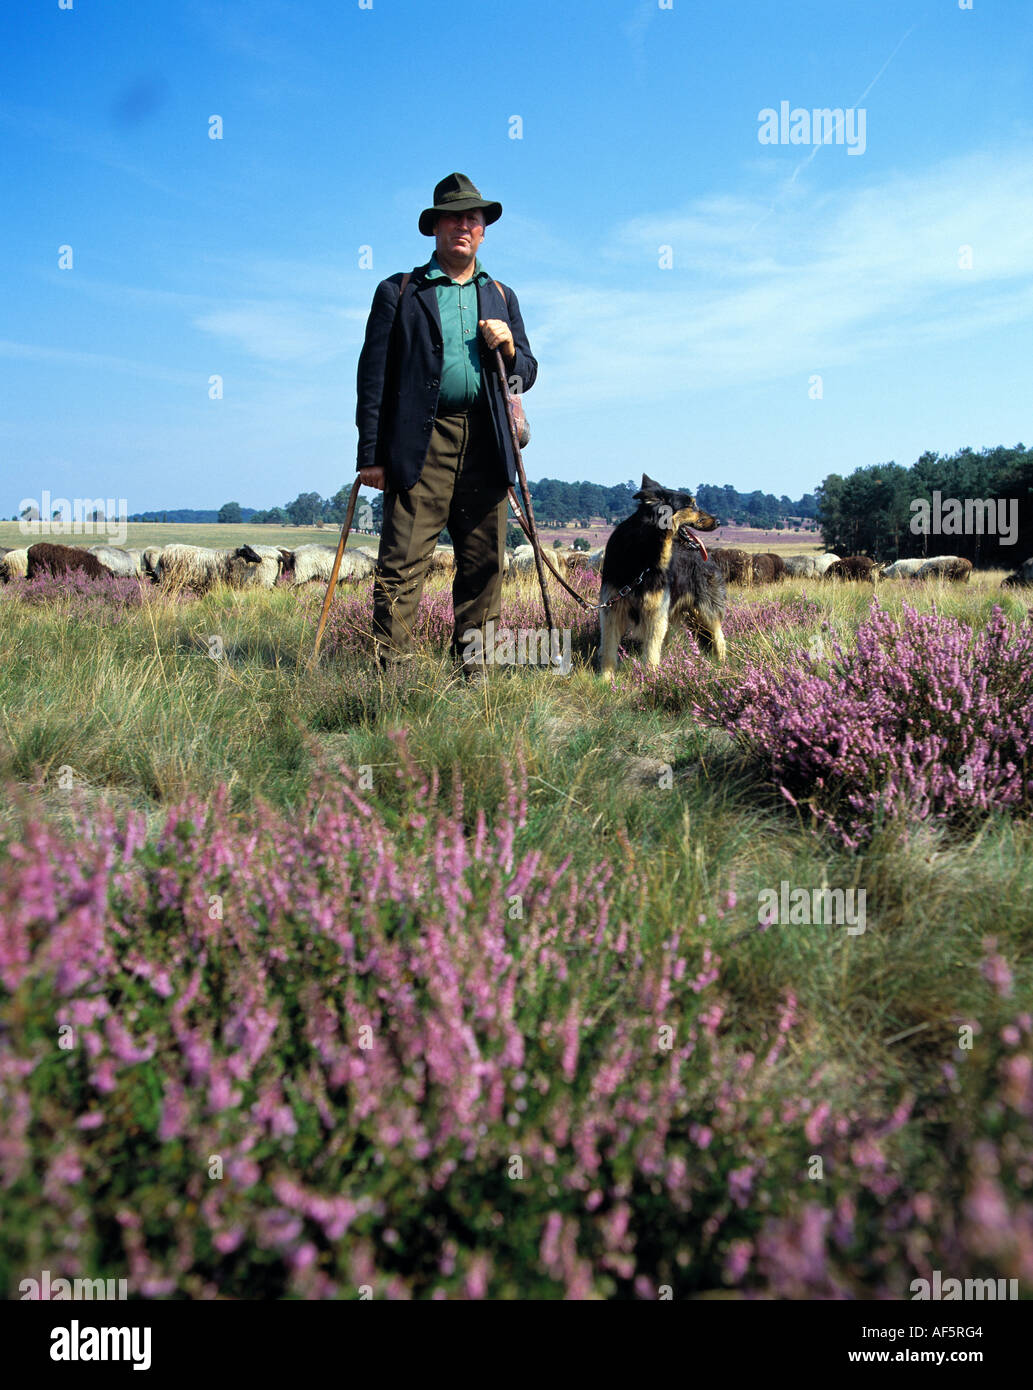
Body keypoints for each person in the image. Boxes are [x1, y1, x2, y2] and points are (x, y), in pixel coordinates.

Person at [355, 172, 537, 676]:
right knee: (402, 564)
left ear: (483, 230)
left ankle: (475, 678)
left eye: (472, 218)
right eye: (453, 217)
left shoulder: (502, 294)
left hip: (487, 442)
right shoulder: (399, 291)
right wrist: (370, 455)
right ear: (435, 228)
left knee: (484, 565)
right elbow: (373, 376)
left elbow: (526, 375)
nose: (463, 225)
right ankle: (392, 679)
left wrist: (510, 349)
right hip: (419, 444)